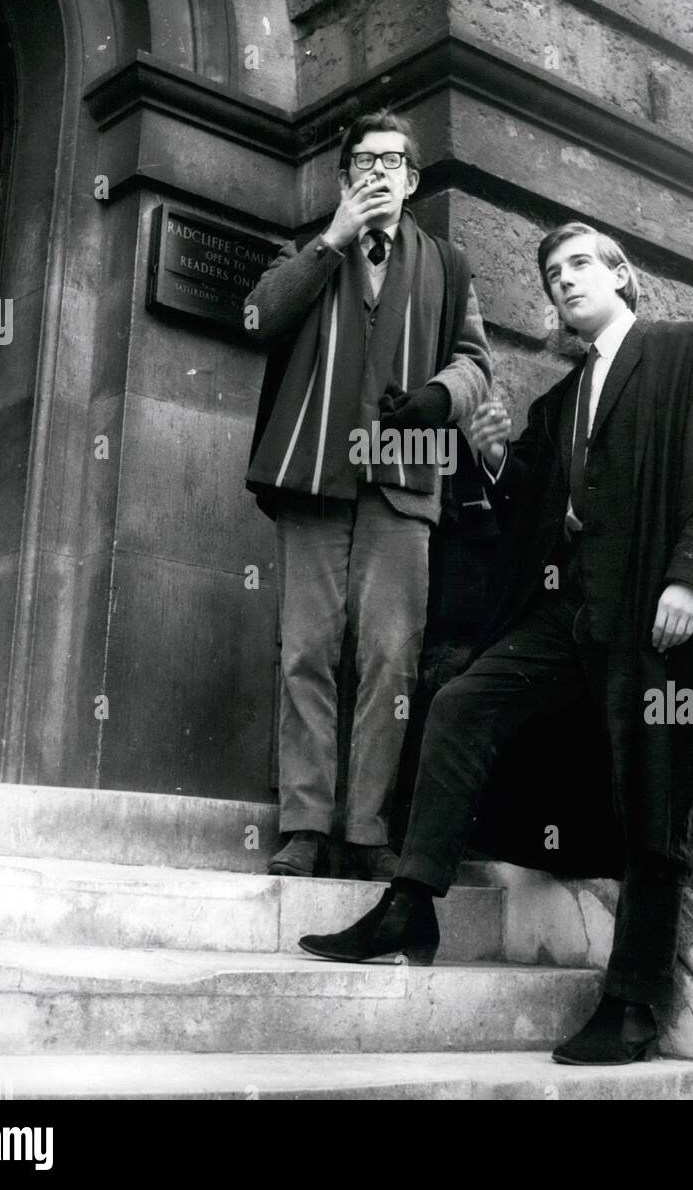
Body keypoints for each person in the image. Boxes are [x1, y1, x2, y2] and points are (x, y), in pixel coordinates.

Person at [298, 221, 693, 1064]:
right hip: (569, 617)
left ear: (622, 276)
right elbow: (525, 517)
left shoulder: (687, 352)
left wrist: (691, 576)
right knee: (461, 704)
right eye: (551, 273)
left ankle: (632, 1005)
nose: (563, 281)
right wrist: (493, 462)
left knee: (652, 791)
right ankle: (411, 902)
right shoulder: (556, 406)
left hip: (649, 607)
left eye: (578, 266)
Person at [245, 112, 492, 881]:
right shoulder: (310, 255)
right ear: (344, 177)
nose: (377, 172)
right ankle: (307, 825)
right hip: (314, 475)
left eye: (392, 162)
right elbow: (257, 317)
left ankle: (365, 829)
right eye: (362, 161)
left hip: (404, 481)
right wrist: (332, 240)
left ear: (414, 181)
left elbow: (477, 363)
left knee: (391, 658)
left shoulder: (448, 265)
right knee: (307, 654)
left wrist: (441, 398)